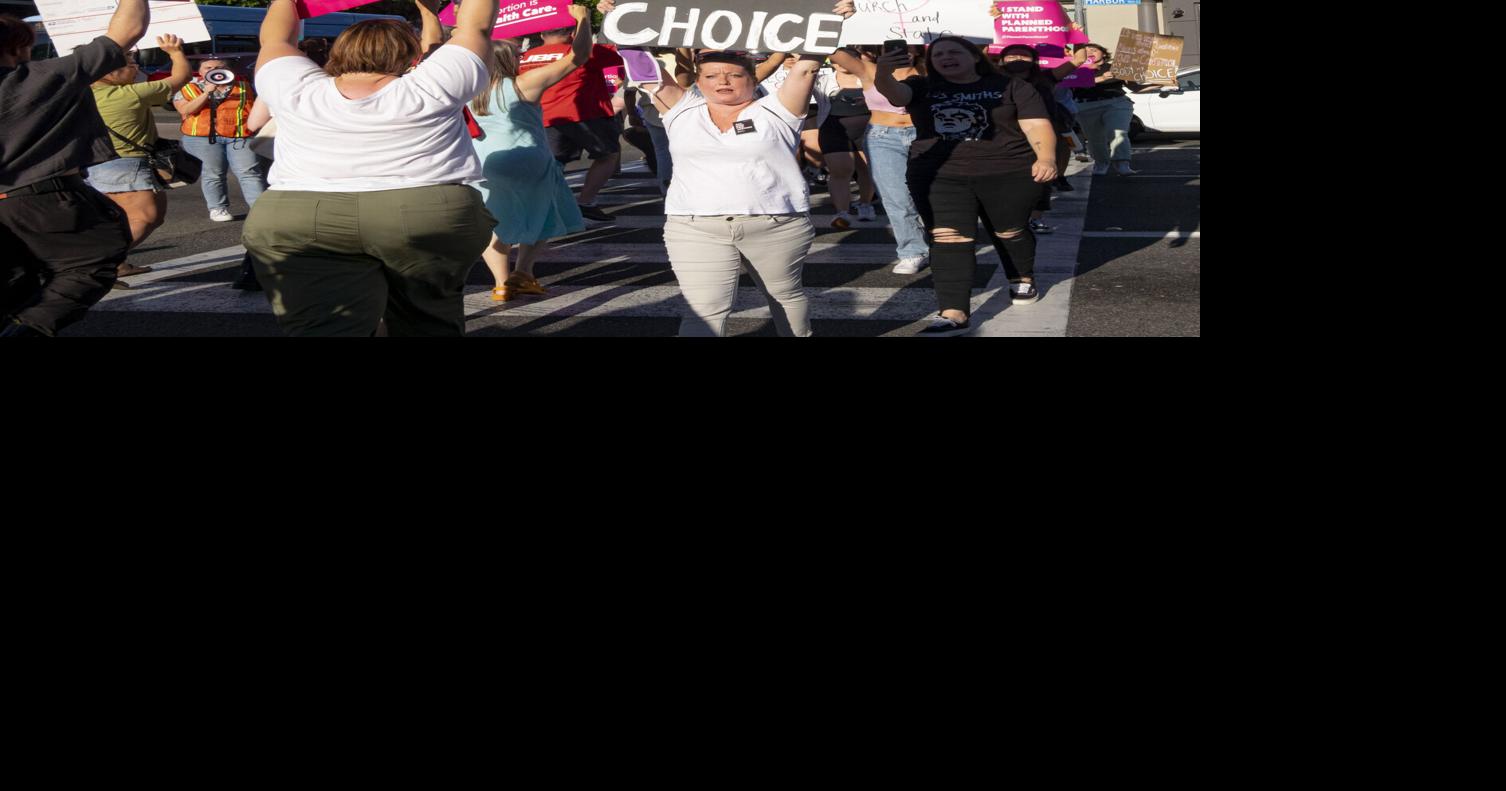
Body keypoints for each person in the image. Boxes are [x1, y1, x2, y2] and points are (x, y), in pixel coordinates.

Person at [595, 0, 857, 338]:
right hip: (694, 228)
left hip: (775, 225)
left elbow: (806, 67)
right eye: (712, 75)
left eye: (735, 74)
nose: (723, 81)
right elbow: (644, 69)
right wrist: (622, 23)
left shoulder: (778, 108)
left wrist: (830, 19)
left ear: (753, 78)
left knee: (785, 298)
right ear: (698, 81)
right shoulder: (680, 108)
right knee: (702, 314)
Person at [241, 0, 499, 337]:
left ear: (339, 52)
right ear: (410, 56)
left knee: (323, 327)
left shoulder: (295, 87)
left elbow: (276, 39)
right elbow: (475, 27)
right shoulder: (431, 85)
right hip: (423, 210)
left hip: (300, 213)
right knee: (426, 319)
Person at [871, 36, 1058, 334]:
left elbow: (1035, 124)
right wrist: (883, 70)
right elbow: (894, 93)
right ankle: (953, 311)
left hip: (1007, 171)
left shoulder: (1011, 86)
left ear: (974, 56)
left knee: (1009, 231)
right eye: (938, 54)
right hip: (938, 176)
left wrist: (1046, 158)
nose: (946, 57)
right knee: (948, 238)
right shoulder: (921, 86)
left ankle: (1021, 276)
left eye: (954, 51)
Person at [0, 2, 147, 337]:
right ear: (16, 48)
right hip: (45, 198)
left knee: (15, 287)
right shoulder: (44, 77)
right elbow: (127, 31)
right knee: (90, 263)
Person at [469, 4, 593, 302]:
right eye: (517, 56)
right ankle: (524, 272)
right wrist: (583, 20)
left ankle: (500, 284)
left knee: (493, 223)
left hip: (486, 163)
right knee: (542, 213)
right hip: (529, 159)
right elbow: (580, 56)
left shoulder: (468, 89)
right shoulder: (524, 83)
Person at [86, 32, 192, 281]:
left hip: (99, 164)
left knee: (124, 218)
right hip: (127, 164)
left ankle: (116, 263)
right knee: (147, 217)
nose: (137, 69)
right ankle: (100, 264)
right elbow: (182, 77)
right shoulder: (128, 94)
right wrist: (175, 52)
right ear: (109, 72)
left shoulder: (84, 94)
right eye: (132, 64)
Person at [829, 45, 928, 274]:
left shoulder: (930, 72)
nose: (904, 51)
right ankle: (912, 251)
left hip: (924, 135)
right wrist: (838, 17)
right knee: (896, 197)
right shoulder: (867, 69)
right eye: (895, 46)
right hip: (883, 137)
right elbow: (832, 50)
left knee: (931, 195)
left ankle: (943, 243)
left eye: (911, 47)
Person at [519, 23, 624, 222]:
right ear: (573, 33)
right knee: (608, 156)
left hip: (544, 117)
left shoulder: (525, 58)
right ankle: (586, 202)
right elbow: (619, 56)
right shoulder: (586, 51)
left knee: (552, 164)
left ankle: (542, 207)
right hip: (588, 116)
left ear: (542, 33)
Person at [172, 56, 267, 222]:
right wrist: (207, 92)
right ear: (200, 71)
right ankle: (218, 208)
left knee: (249, 172)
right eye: (208, 67)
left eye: (219, 67)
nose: (213, 70)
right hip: (202, 138)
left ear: (229, 70)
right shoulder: (188, 88)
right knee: (213, 173)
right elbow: (185, 110)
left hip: (239, 136)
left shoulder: (245, 86)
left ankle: (259, 209)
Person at [819, 57, 876, 230]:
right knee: (840, 171)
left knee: (866, 169)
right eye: (836, 59)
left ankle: (865, 203)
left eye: (845, 58)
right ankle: (842, 212)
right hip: (833, 129)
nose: (840, 62)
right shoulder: (821, 80)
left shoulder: (869, 78)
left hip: (867, 129)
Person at [1072, 43, 1140, 177]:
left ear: (1103, 53)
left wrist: (1162, 83)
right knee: (1094, 138)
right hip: (1086, 105)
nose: (1090, 52)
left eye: (1094, 50)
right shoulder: (1076, 69)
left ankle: (1122, 163)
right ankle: (1101, 162)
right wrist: (1101, 78)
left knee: (1117, 132)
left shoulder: (1118, 68)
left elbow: (1135, 88)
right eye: (1085, 51)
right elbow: (1074, 82)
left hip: (1116, 103)